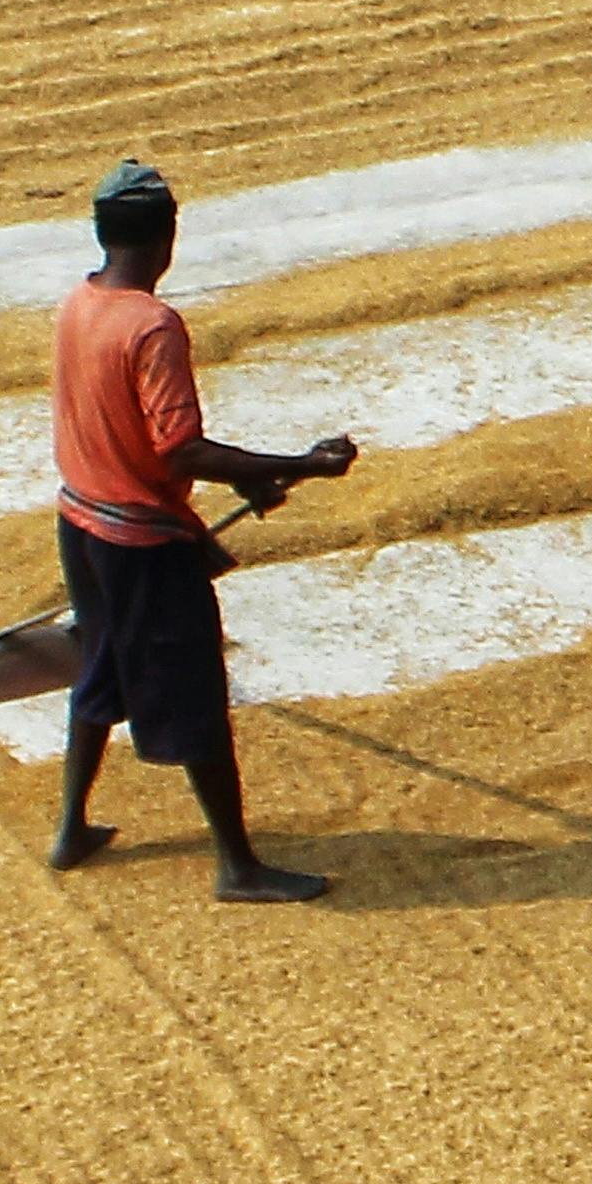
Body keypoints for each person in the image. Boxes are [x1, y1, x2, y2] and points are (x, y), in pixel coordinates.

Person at [47, 159, 360, 901]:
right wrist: (304, 463)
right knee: (194, 698)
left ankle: (70, 832)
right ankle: (239, 867)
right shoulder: (151, 325)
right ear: (169, 237)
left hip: (82, 521)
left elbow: (135, 436)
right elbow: (178, 447)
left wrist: (248, 475)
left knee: (102, 668)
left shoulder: (78, 304)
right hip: (141, 546)